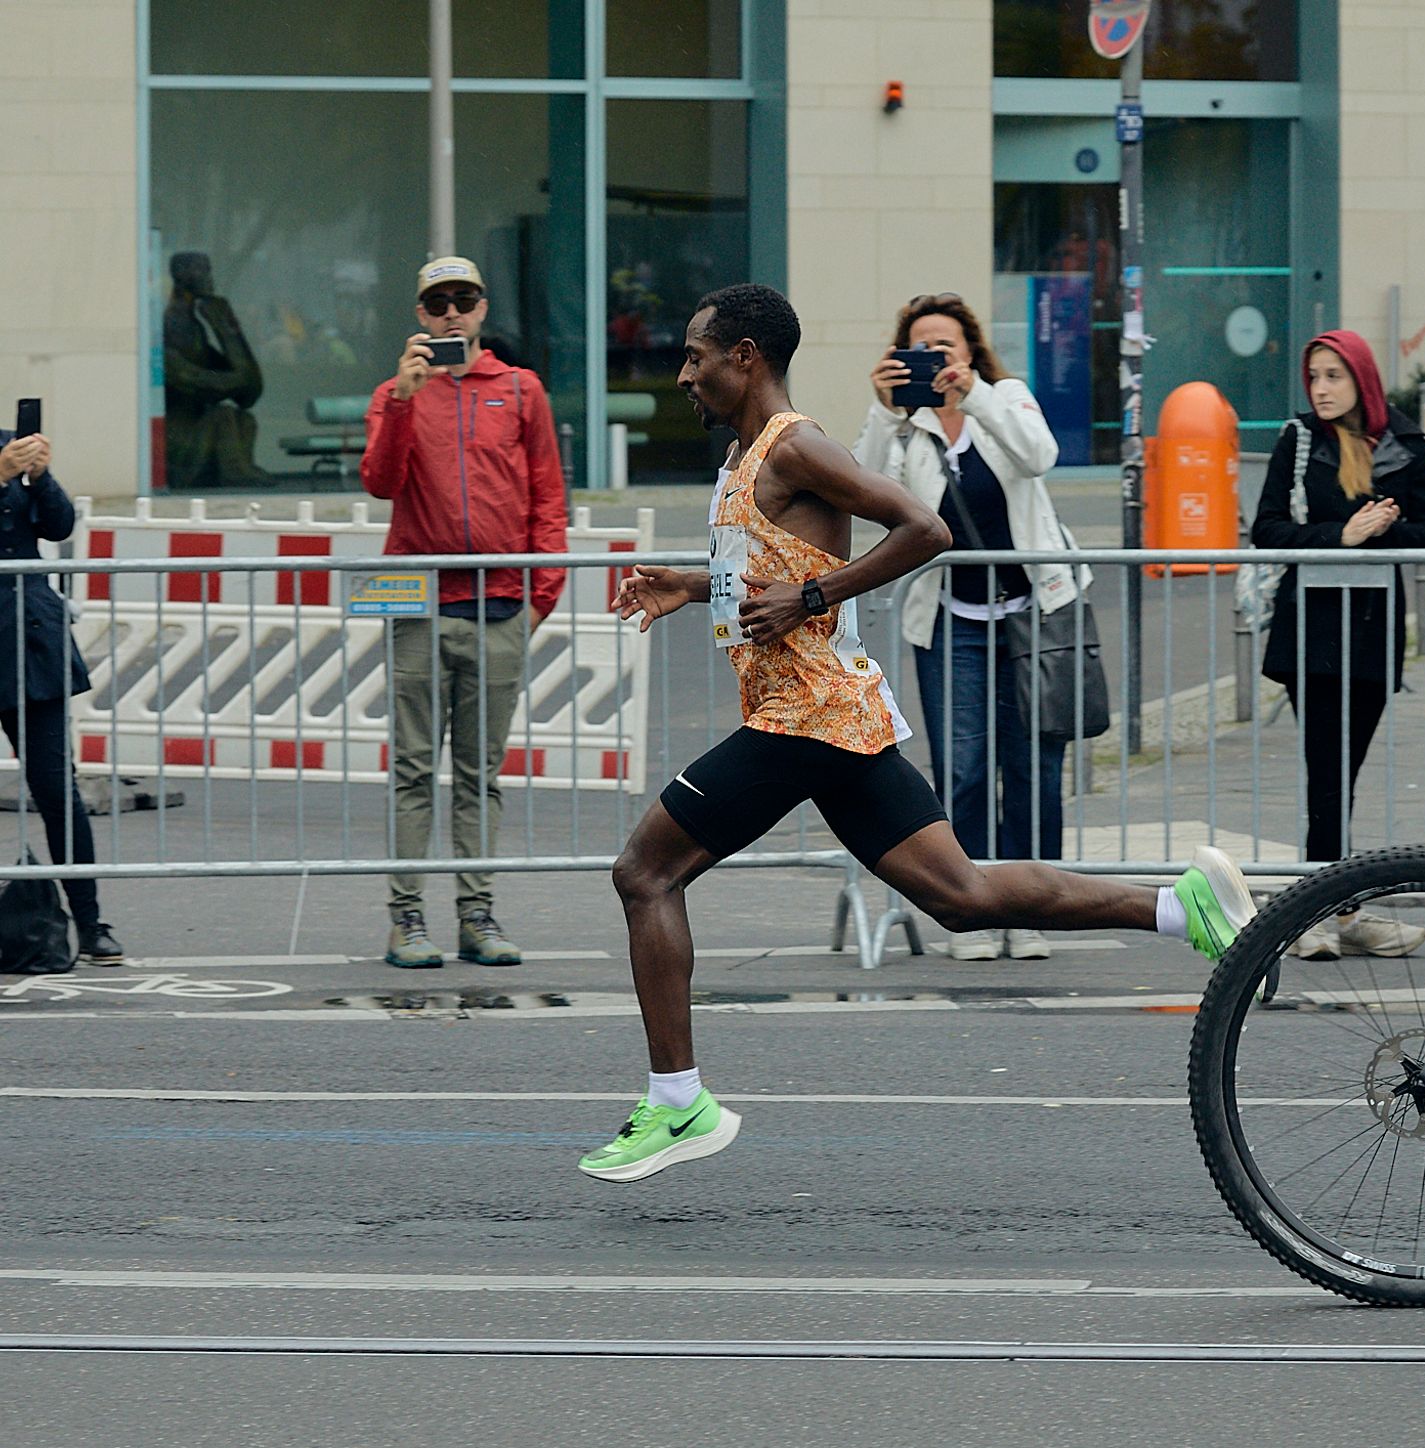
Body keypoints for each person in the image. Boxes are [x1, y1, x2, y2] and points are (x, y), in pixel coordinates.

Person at [584, 284, 1256, 1183]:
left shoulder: (797, 446)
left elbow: (924, 526)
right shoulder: (749, 454)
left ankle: (677, 1102)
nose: (683, 375)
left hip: (806, 718)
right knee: (962, 896)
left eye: (696, 357)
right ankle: (1183, 908)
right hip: (834, 717)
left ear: (746, 356)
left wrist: (816, 598)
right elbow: (773, 568)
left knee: (645, 871)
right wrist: (691, 582)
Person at [856, 292, 1084, 962]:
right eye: (920, 347)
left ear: (970, 350)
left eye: (946, 346)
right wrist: (883, 409)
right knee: (963, 767)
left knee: (1035, 766)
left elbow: (1039, 455)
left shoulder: (1005, 396)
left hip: (1031, 616)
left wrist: (976, 392)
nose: (937, 358)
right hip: (951, 619)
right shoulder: (907, 424)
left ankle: (1035, 906)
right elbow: (867, 489)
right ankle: (978, 906)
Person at [361, 256, 568, 970]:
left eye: (464, 299)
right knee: (415, 769)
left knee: (480, 771)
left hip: (501, 602)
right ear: (420, 314)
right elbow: (380, 483)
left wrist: (543, 594)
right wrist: (402, 399)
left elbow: (548, 494)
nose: (451, 313)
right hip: (419, 603)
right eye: (437, 302)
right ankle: (406, 918)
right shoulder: (396, 390)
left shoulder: (520, 388)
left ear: (482, 309)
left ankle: (476, 914)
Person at [1251, 330, 1425, 958]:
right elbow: (1269, 530)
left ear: (1361, 378)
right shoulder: (1298, 439)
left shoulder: (1404, 443)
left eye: (1334, 376)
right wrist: (1345, 535)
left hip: (1372, 630)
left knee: (1345, 773)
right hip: (1311, 631)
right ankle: (1321, 910)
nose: (1322, 389)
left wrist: (1376, 537)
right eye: (1314, 377)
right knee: (1327, 773)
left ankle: (1335, 905)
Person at [0, 425, 120, 964]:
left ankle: (91, 924)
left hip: (29, 645)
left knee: (56, 791)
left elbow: (59, 524)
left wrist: (40, 476)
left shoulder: (9, 443)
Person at [162, 251, 274, 490]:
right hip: (176, 440)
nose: (210, 278)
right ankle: (236, 472)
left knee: (244, 420)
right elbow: (200, 381)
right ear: (181, 275)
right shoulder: (169, 328)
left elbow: (249, 393)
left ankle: (240, 469)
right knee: (222, 415)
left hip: (195, 431)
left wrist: (226, 329)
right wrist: (225, 330)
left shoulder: (195, 330)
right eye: (202, 270)